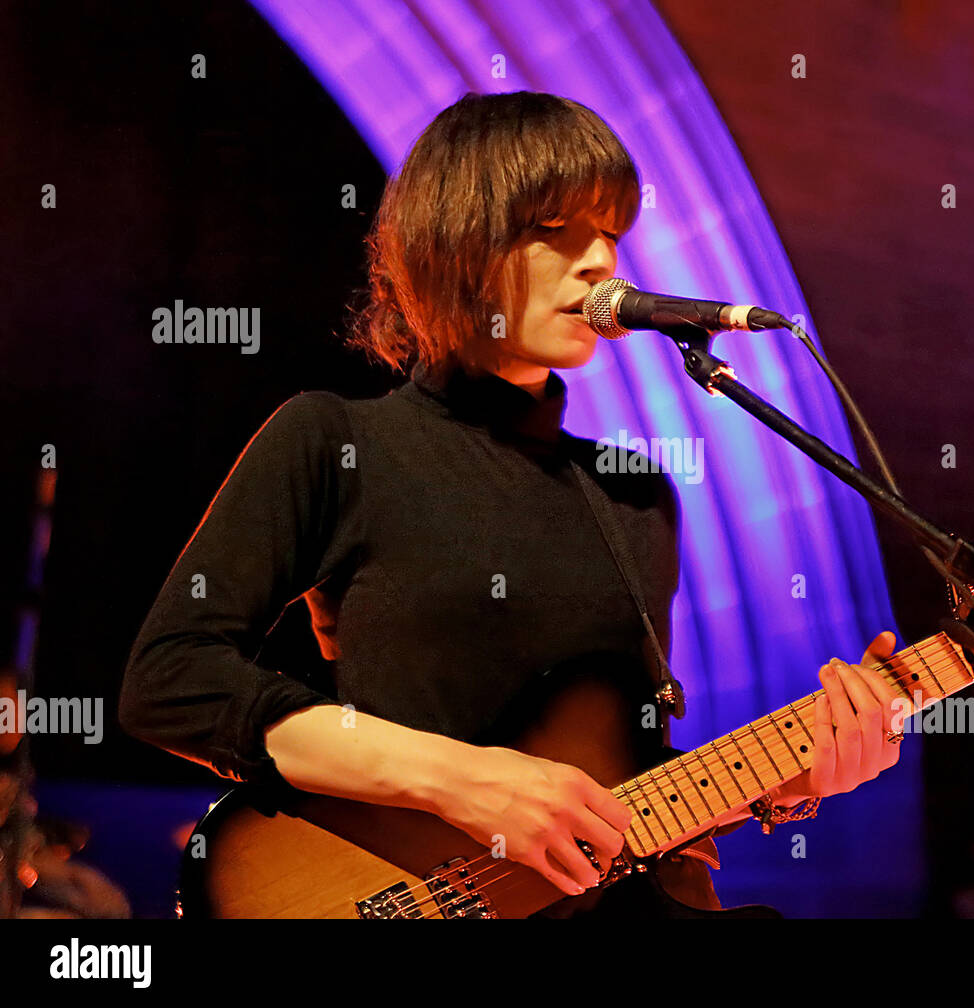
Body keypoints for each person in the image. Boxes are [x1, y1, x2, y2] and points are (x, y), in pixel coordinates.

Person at [119, 90, 905, 917]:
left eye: (610, 231)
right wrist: (468, 782)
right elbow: (172, 680)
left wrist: (792, 780)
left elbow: (620, 777)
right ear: (459, 242)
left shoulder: (633, 492)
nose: (603, 260)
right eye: (559, 229)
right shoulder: (335, 442)